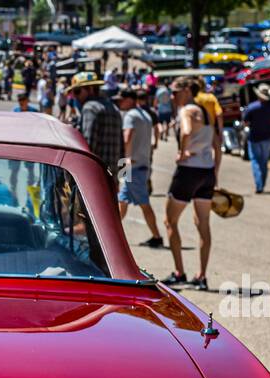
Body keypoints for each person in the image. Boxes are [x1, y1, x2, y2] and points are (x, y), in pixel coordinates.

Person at [164, 77, 216, 289]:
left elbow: (186, 131)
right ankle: (202, 275)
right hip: (207, 170)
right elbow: (217, 143)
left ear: (186, 91)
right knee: (203, 224)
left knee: (170, 221)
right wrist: (216, 172)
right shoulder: (205, 111)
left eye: (175, 92)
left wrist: (182, 152)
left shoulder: (186, 111)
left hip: (188, 171)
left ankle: (179, 272)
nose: (172, 97)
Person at [116, 87, 164, 248]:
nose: (119, 103)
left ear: (129, 99)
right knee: (122, 200)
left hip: (132, 166)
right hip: (142, 164)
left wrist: (124, 160)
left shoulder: (130, 115)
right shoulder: (145, 115)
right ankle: (112, 235)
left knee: (142, 203)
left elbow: (127, 136)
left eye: (121, 100)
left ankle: (157, 236)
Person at [70, 71, 123, 181]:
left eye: (77, 91)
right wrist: (121, 179)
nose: (74, 96)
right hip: (111, 177)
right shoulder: (114, 109)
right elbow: (122, 149)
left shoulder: (90, 108)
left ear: (90, 89)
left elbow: (88, 147)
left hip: (95, 177)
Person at [243, 82, 270, 193]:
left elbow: (245, 122)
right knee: (264, 161)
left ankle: (259, 185)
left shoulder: (251, 107)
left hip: (254, 137)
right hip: (267, 137)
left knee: (255, 161)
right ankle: (262, 183)